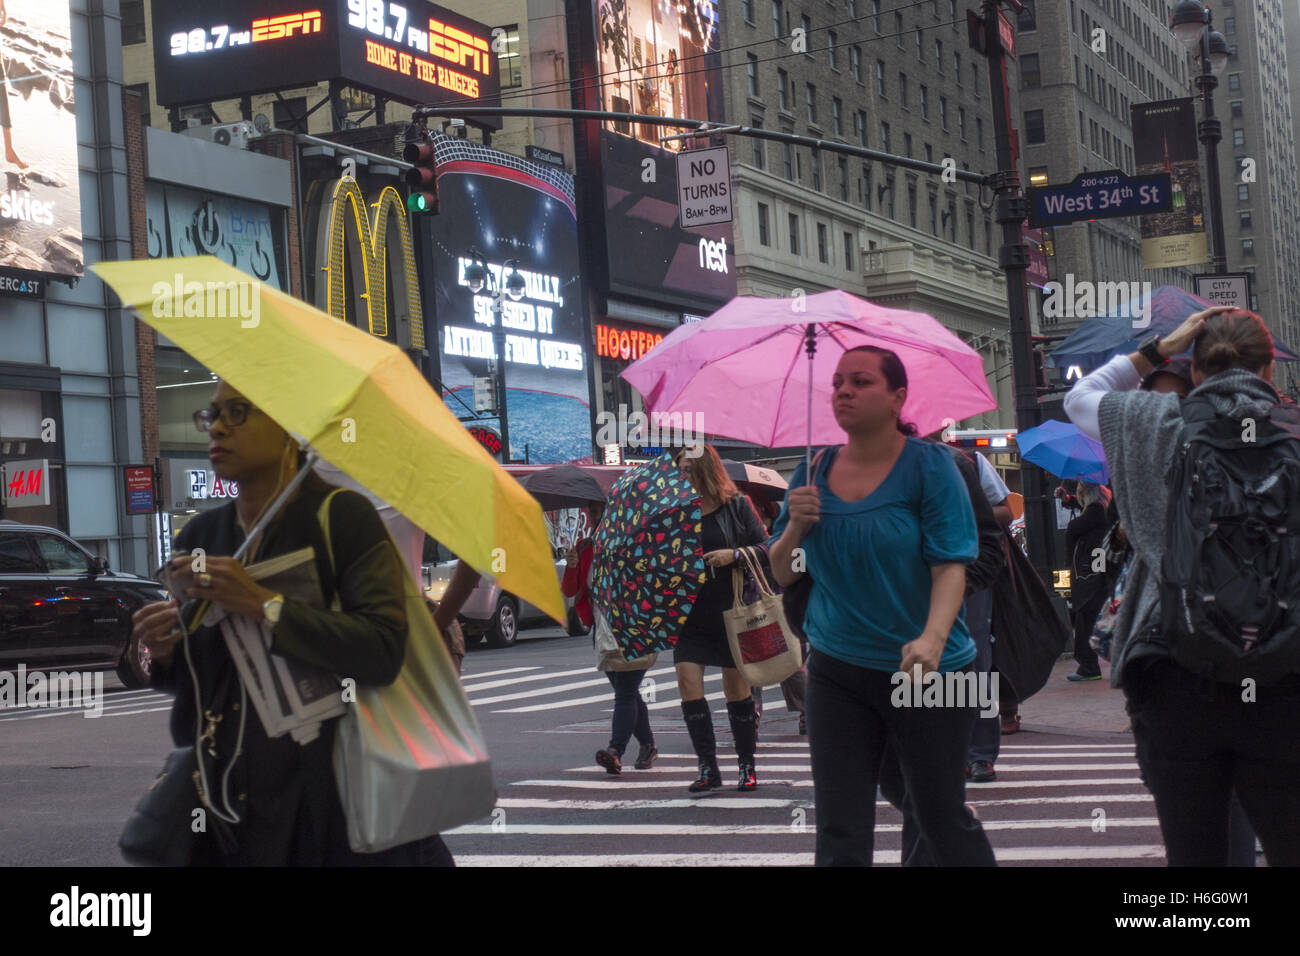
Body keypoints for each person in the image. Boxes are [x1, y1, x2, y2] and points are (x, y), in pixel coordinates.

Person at [129, 382, 451, 866]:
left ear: (287, 426)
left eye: (238, 412)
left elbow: (383, 650)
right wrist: (164, 649)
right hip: (232, 803)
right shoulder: (201, 535)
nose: (216, 427)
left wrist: (265, 604)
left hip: (336, 800)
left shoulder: (342, 518)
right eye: (211, 414)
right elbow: (205, 683)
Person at [1064, 306, 1300, 866]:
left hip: (1176, 664)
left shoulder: (1153, 420)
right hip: (1286, 675)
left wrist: (1159, 348)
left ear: (1194, 369)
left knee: (1196, 864)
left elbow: (1079, 397)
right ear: (1269, 372)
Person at [769, 345, 996, 866]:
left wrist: (932, 638)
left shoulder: (932, 466)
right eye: (838, 382)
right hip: (836, 669)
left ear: (897, 398)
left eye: (861, 382)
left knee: (939, 816)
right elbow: (783, 572)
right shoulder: (813, 469)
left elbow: (951, 565)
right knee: (841, 826)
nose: (844, 391)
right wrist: (795, 528)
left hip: (932, 670)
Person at [673, 444, 770, 792]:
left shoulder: (737, 506)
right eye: (679, 469)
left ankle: (746, 765)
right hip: (690, 613)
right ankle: (707, 767)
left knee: (736, 689)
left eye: (687, 469)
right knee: (687, 682)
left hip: (732, 610)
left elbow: (767, 547)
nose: (681, 476)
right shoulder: (676, 512)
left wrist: (735, 554)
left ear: (704, 470)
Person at [562, 502, 659, 774]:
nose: (595, 517)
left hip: (635, 627)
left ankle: (615, 750)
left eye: (600, 511)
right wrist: (572, 566)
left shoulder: (636, 541)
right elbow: (570, 590)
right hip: (603, 632)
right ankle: (648, 745)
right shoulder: (585, 547)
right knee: (626, 692)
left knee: (625, 693)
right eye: (591, 512)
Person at [1058, 481, 1112, 681]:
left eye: (1081, 494)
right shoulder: (1101, 510)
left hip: (1089, 575)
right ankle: (1089, 665)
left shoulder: (1095, 512)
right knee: (1089, 617)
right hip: (1097, 572)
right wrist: (1069, 500)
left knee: (1085, 619)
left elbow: (1074, 526)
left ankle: (1088, 666)